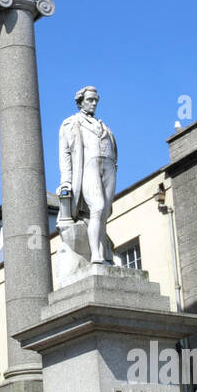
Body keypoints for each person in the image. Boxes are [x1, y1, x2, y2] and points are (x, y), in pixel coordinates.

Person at [57, 86, 117, 264]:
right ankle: (95, 255)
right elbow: (65, 155)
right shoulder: (71, 123)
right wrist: (66, 181)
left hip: (109, 167)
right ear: (80, 102)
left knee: (104, 212)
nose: (93, 103)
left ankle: (104, 252)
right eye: (90, 100)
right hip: (88, 167)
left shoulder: (103, 126)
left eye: (96, 100)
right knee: (96, 208)